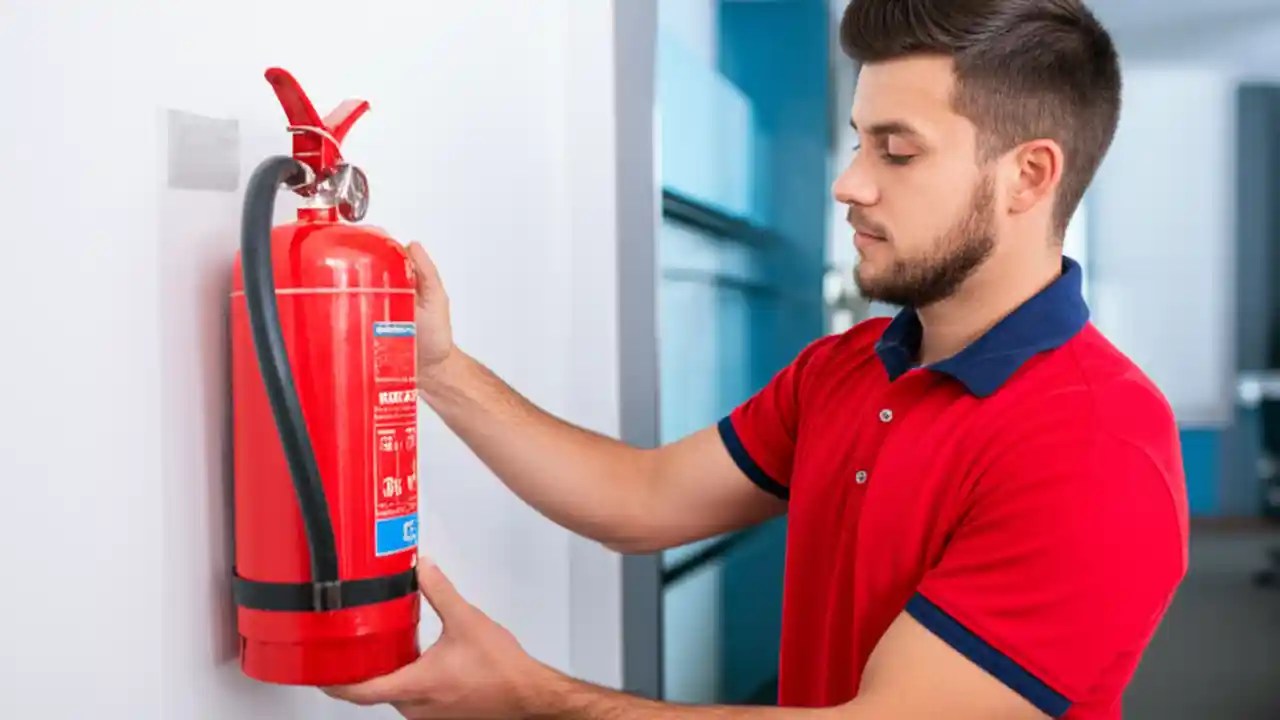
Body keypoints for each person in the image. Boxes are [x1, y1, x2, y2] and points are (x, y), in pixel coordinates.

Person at [327, 0, 1189, 717]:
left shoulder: (1098, 445)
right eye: (857, 141)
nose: (849, 182)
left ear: (1029, 177)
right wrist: (436, 366)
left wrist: (535, 699)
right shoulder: (846, 369)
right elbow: (641, 497)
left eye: (897, 150)